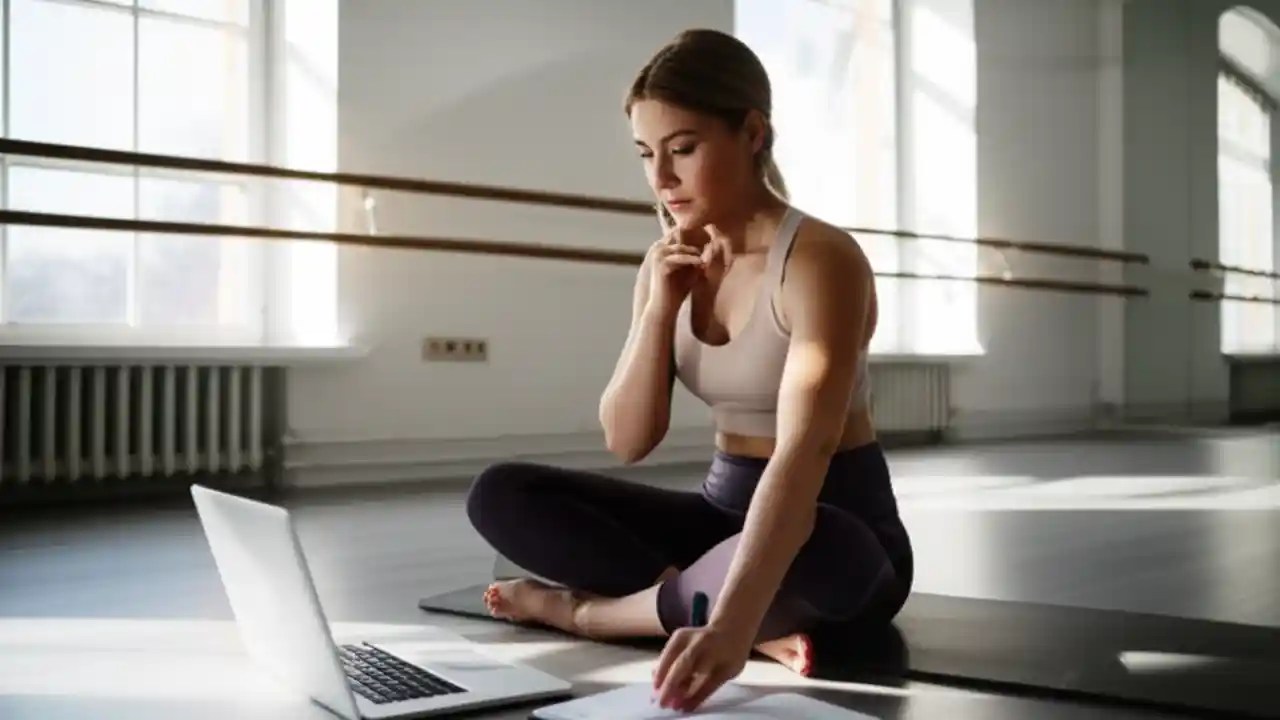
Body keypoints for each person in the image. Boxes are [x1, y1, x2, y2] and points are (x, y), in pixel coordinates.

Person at [465, 28, 913, 713]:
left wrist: (730, 630)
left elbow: (804, 454)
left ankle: (597, 615)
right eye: (647, 154)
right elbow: (627, 439)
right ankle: (732, 610)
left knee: (827, 547)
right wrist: (656, 313)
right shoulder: (666, 261)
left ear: (753, 133)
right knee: (500, 494)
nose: (660, 178)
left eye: (683, 150)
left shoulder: (821, 260)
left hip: (837, 521)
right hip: (720, 513)